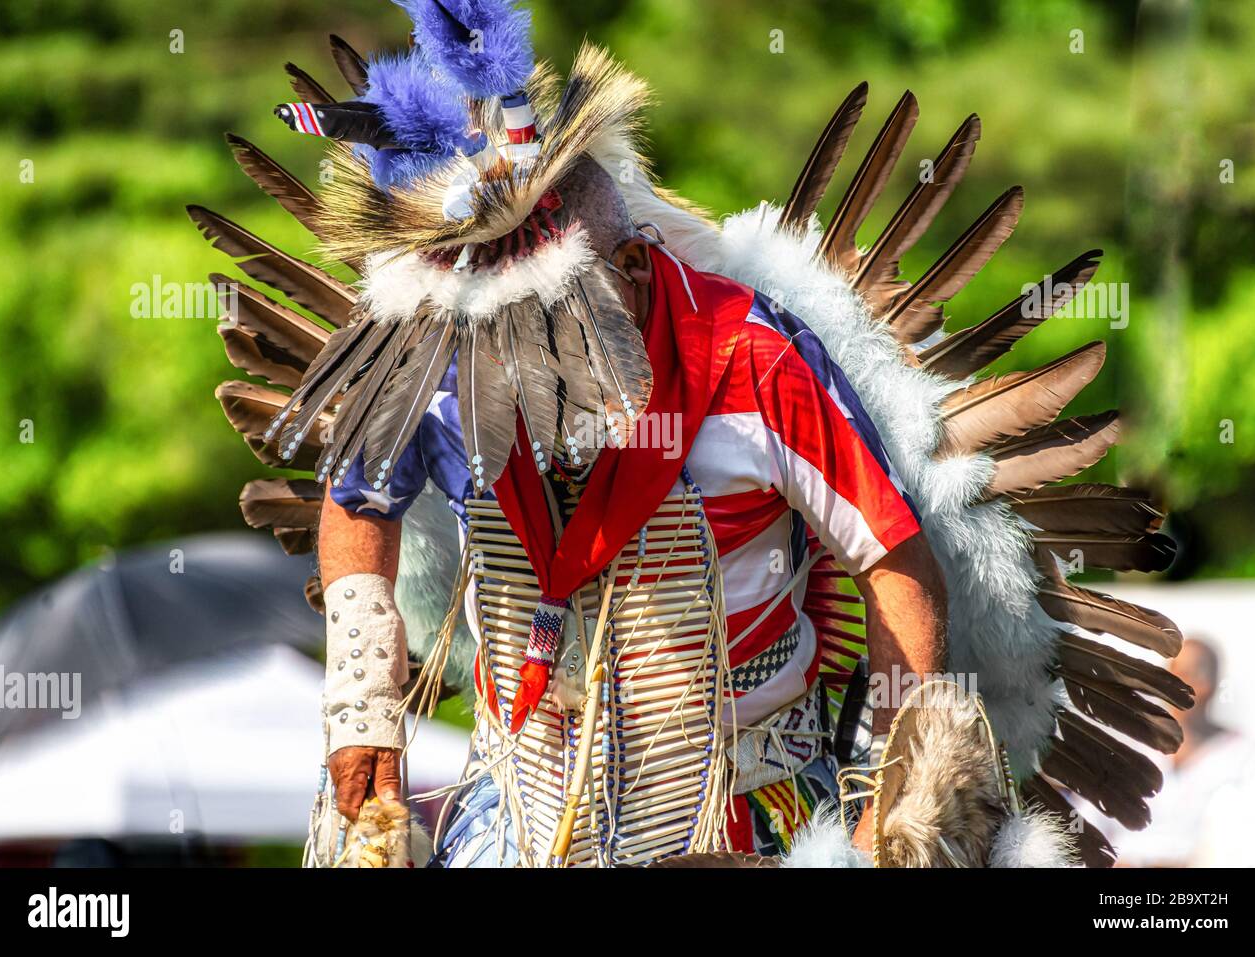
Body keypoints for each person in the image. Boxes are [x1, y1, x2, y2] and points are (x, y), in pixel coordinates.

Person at [195, 0, 1186, 867]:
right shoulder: (436, 350)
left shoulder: (747, 360)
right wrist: (364, 716)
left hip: (744, 803)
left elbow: (891, 554)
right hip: (523, 802)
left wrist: (913, 790)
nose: (505, 353)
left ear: (625, 269)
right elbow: (356, 498)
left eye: (534, 324)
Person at [1113, 638, 1255, 867]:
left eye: (1195, 674)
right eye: (1176, 673)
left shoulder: (1250, 759)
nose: (1182, 684)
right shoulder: (1131, 751)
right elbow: (1087, 821)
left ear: (1214, 684)